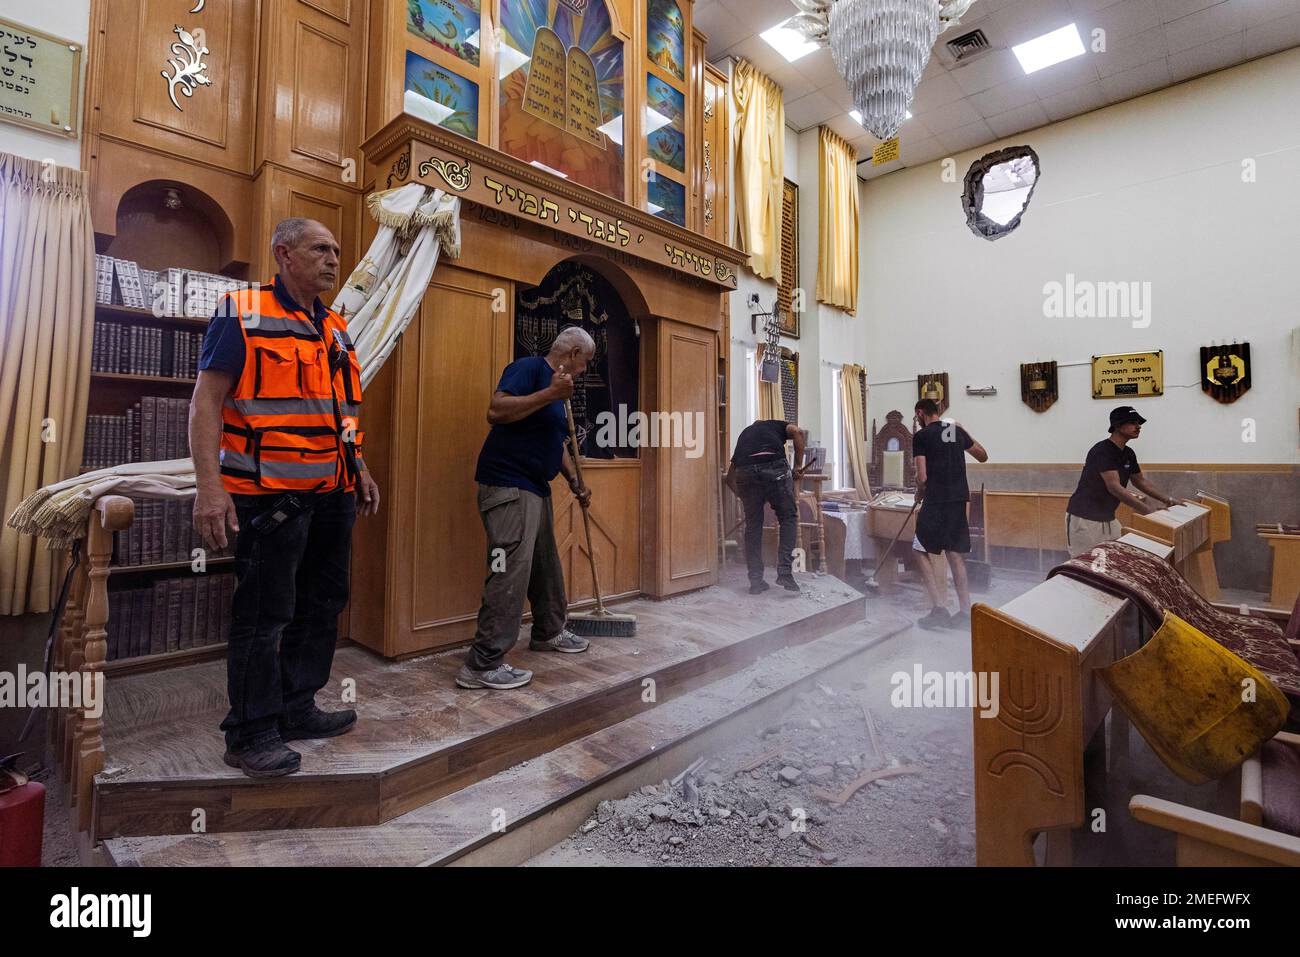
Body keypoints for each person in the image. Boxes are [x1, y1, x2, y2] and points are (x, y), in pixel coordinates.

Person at [190, 218, 381, 778]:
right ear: (284, 254)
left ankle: (297, 708)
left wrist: (360, 467)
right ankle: (249, 734)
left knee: (322, 605)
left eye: (337, 250)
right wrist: (209, 487)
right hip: (269, 498)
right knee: (264, 614)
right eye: (320, 248)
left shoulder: (338, 329)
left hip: (333, 493)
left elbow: (339, 412)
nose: (332, 258)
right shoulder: (240, 311)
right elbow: (205, 404)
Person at [456, 327, 597, 691]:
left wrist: (572, 480)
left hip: (536, 488)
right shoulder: (529, 369)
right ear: (574, 351)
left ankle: (548, 631)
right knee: (509, 571)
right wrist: (550, 392)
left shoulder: (559, 393)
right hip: (507, 485)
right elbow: (496, 410)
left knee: (544, 566)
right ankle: (481, 664)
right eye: (585, 362)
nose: (584, 370)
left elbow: (556, 441)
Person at [911, 399, 987, 631]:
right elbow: (983, 456)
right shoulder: (955, 431)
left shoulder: (921, 437)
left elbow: (922, 477)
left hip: (935, 500)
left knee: (919, 549)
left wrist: (918, 494)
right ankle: (965, 612)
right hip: (958, 501)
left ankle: (939, 609)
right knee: (955, 554)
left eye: (916, 418)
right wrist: (963, 430)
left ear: (920, 413)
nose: (917, 421)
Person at [1065, 406, 1179, 557]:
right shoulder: (1103, 450)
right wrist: (1149, 511)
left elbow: (1140, 482)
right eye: (1132, 422)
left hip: (1108, 518)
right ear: (1117, 426)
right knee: (1087, 567)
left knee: (1117, 561)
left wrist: (1168, 500)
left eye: (1139, 423)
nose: (1138, 426)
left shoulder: (1128, 453)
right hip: (1084, 518)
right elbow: (1114, 487)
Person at [724, 419, 807, 594]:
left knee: (753, 526)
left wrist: (746, 497)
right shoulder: (776, 425)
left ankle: (755, 580)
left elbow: (729, 480)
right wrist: (798, 466)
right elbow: (798, 433)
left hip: (746, 474)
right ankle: (784, 572)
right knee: (788, 517)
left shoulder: (746, 434)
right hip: (774, 469)